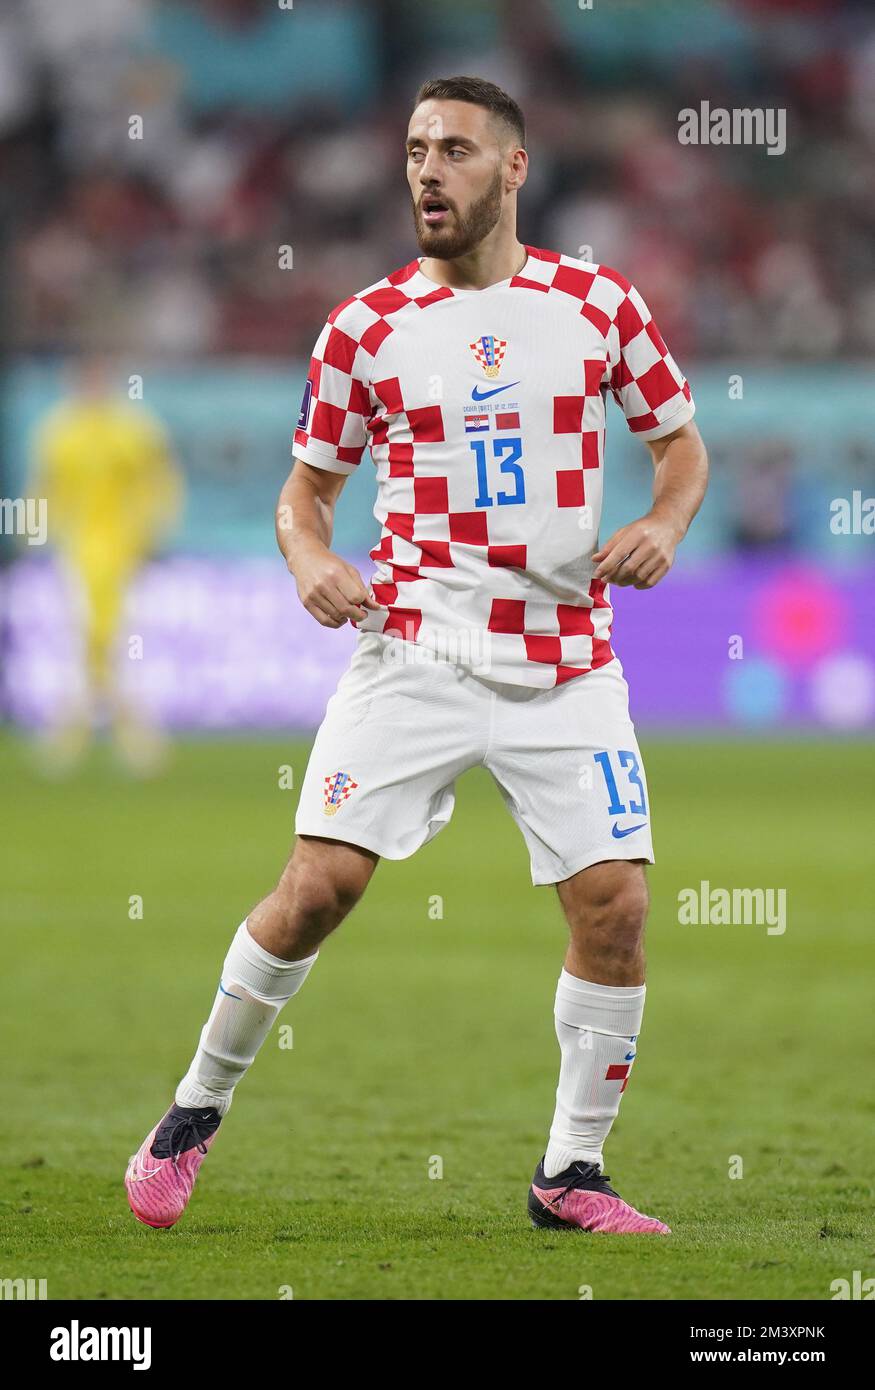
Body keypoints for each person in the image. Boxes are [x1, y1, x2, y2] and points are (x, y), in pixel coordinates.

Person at [126, 76, 708, 1235]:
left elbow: (678, 449)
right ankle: (195, 1108)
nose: (425, 171)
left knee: (615, 906)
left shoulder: (598, 304)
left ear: (512, 169)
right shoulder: (364, 326)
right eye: (412, 150)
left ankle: (569, 1174)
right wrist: (306, 561)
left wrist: (661, 523)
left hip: (564, 660)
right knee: (315, 891)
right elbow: (304, 494)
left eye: (452, 150)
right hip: (414, 651)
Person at [30, 356, 182, 773]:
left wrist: (154, 531)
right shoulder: (61, 432)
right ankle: (122, 736)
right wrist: (37, 532)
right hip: (77, 552)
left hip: (125, 552)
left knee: (116, 641)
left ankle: (87, 735)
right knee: (90, 638)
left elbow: (159, 481)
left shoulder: (130, 430)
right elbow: (45, 486)